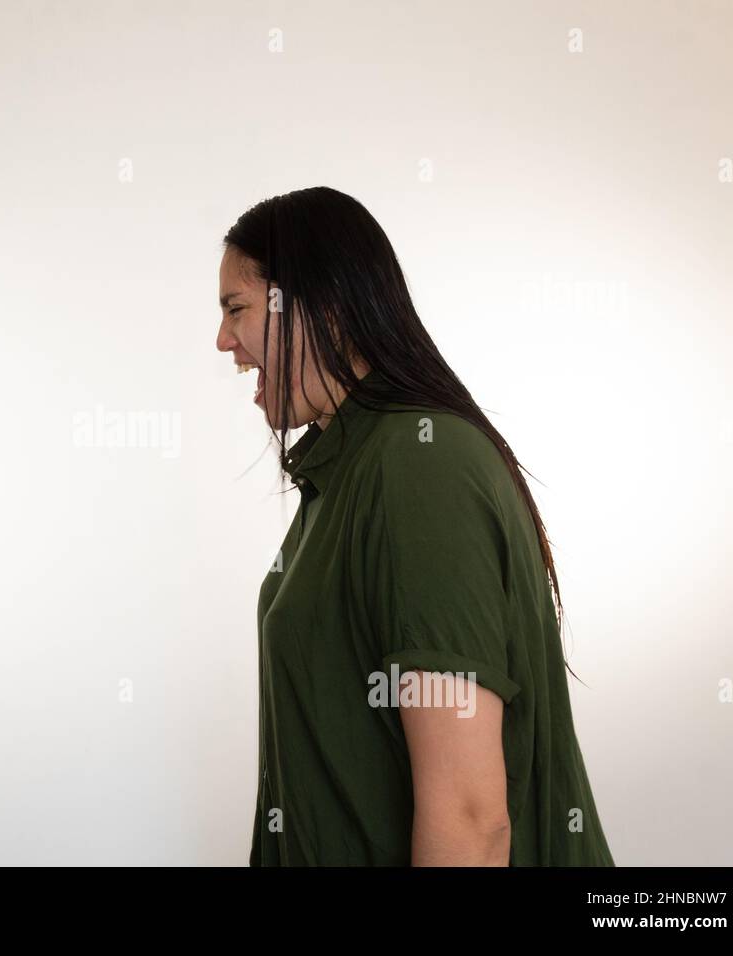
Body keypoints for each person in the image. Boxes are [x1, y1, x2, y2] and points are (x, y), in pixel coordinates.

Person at [216, 187, 615, 866]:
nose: (224, 340)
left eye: (237, 309)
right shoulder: (346, 474)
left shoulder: (418, 467)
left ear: (326, 307)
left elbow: (469, 818)